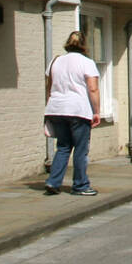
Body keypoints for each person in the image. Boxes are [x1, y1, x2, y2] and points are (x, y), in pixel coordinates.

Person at [44, 30, 101, 196]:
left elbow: (49, 87)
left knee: (62, 146)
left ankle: (53, 182)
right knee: (81, 149)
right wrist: (96, 112)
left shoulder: (55, 62)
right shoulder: (87, 62)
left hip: (56, 109)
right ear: (84, 45)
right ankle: (81, 185)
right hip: (78, 109)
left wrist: (49, 108)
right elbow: (92, 88)